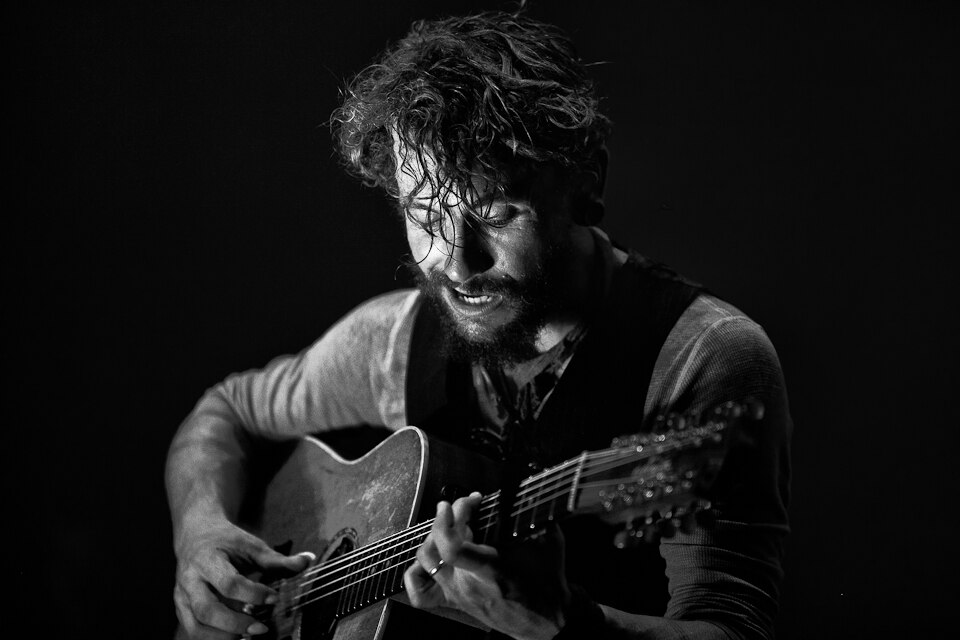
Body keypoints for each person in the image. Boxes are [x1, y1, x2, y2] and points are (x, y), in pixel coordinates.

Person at [166, 11, 791, 640]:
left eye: (494, 212)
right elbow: (225, 412)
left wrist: (571, 629)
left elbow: (734, 630)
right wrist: (199, 530)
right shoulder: (394, 344)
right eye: (424, 212)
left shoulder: (700, 361)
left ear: (586, 184)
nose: (456, 262)